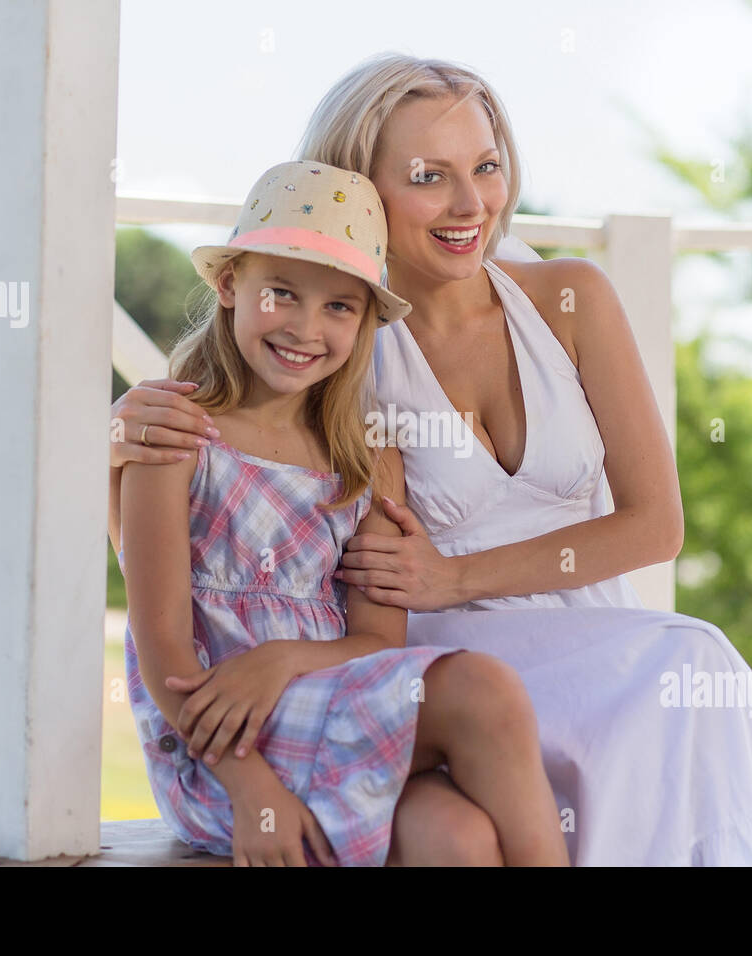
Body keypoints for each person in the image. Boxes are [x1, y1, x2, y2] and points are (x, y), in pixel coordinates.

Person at [110, 55, 752, 866]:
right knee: (676, 664)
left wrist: (455, 574)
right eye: (429, 176)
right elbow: (232, 465)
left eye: (485, 167)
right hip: (435, 658)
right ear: (358, 191)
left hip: (600, 637)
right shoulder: (344, 347)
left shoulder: (570, 299)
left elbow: (657, 527)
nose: (469, 205)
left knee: (693, 669)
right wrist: (122, 429)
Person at [116, 159, 568, 866]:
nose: (305, 327)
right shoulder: (175, 435)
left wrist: (278, 661)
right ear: (232, 285)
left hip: (334, 715)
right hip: (217, 747)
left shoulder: (366, 454)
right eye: (283, 293)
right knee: (482, 688)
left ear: (363, 321)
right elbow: (164, 657)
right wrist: (253, 793)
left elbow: (377, 644)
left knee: (458, 838)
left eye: (339, 307)